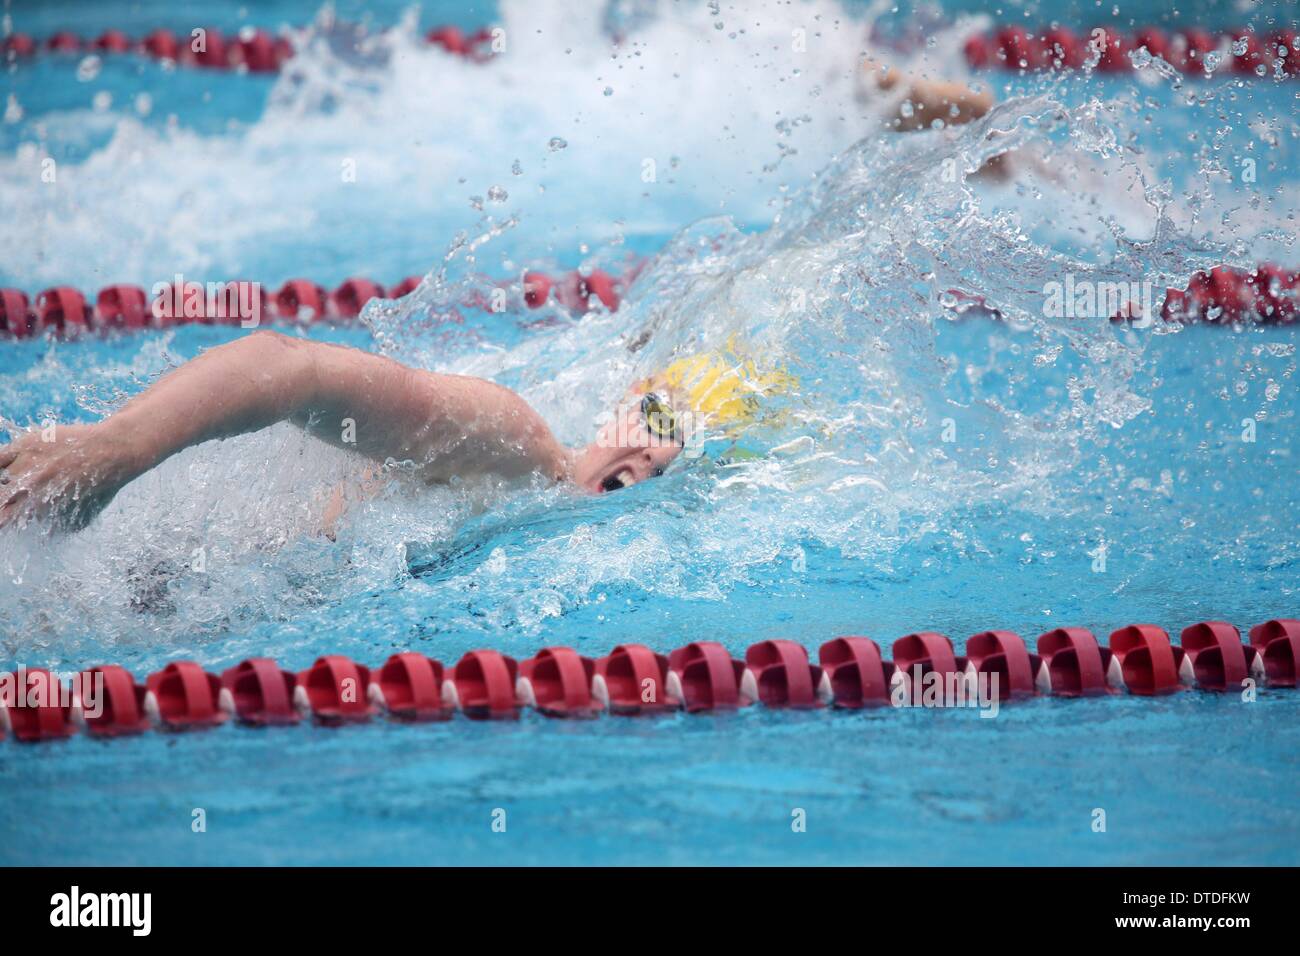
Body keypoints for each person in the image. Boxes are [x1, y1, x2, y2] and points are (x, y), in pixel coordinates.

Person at [0, 330, 790, 531]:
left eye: (679, 469)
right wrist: (120, 447)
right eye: (662, 426)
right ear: (626, 408)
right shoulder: (510, 443)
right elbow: (295, 369)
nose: (654, 462)